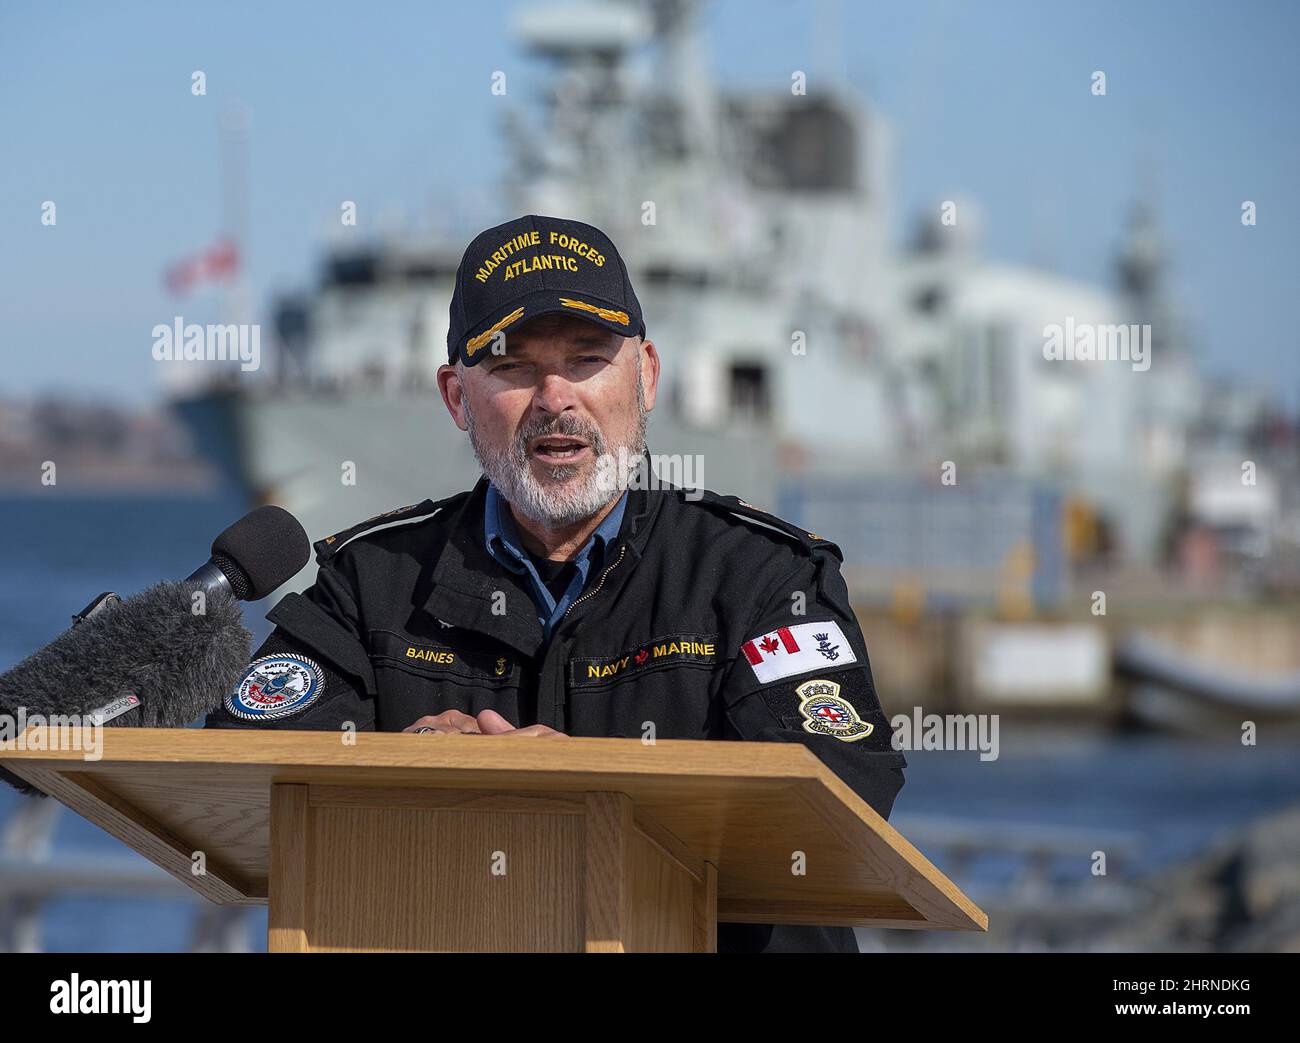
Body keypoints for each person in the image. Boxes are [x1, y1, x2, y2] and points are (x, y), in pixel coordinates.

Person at [206, 213, 908, 952]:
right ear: (455, 397)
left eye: (587, 359)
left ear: (646, 378)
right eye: (512, 366)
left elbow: (841, 793)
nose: (554, 396)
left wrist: (569, 786)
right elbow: (240, 768)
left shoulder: (762, 576)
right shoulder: (370, 582)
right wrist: (406, 763)